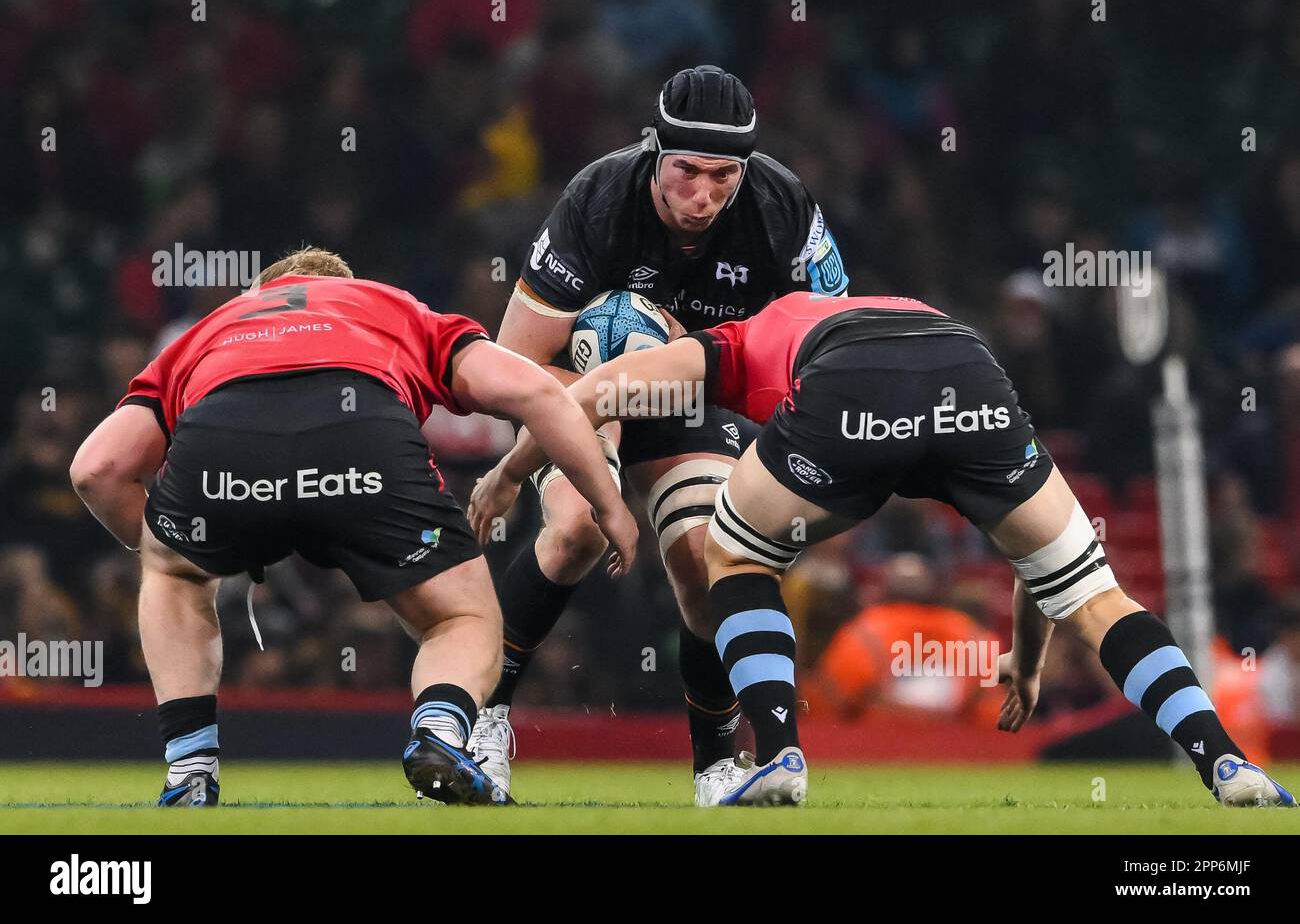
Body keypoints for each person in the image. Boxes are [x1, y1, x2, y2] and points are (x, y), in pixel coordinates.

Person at [469, 291, 1296, 808]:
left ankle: (782, 752)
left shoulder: (741, 336)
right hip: (968, 374)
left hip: (852, 393)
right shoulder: (894, 308)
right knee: (1094, 593)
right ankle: (1224, 762)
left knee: (731, 556)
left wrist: (511, 468)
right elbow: (1034, 563)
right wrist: (1030, 660)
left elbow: (600, 388)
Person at [70, 247, 636, 807]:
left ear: (261, 292)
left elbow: (96, 470)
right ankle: (439, 732)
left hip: (223, 447)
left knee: (175, 574)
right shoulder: (386, 303)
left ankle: (191, 769)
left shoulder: (210, 329)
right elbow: (537, 392)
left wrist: (172, 545)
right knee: (461, 617)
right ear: (343, 283)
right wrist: (606, 502)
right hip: (364, 446)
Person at [476, 64, 849, 802]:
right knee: (579, 527)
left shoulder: (783, 205)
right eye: (686, 171)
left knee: (707, 559)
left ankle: (714, 764)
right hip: (580, 388)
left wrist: (699, 365)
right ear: (655, 150)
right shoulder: (598, 199)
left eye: (723, 175)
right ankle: (485, 722)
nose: (704, 194)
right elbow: (514, 361)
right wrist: (591, 418)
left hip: (700, 396)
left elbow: (832, 351)